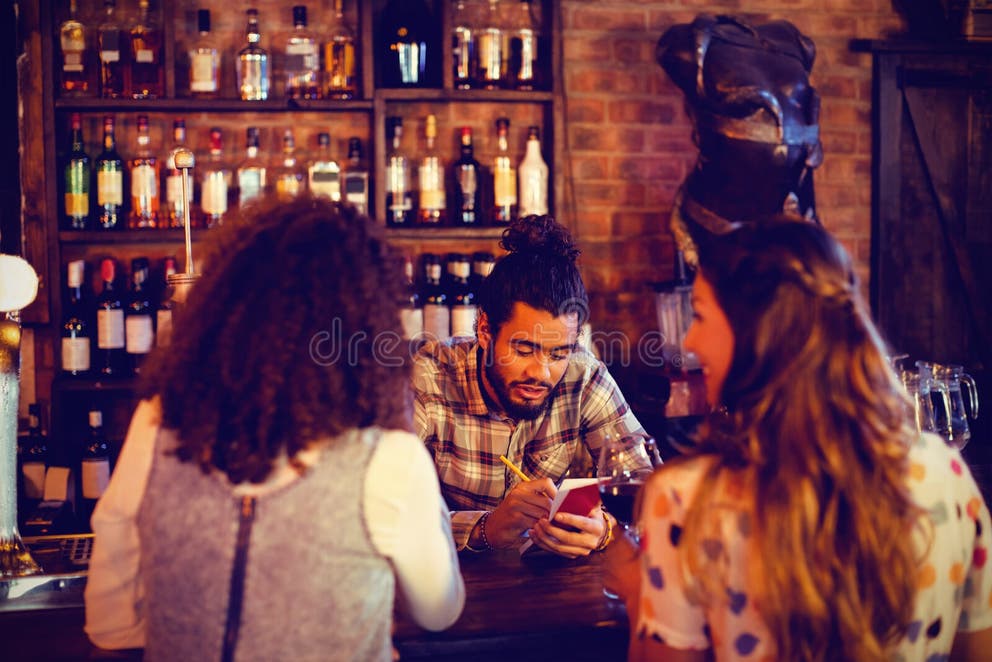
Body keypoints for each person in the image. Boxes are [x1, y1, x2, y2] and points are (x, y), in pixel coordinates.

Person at [84, 196, 465, 660]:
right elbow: (438, 611)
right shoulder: (388, 458)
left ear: (224, 308)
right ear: (365, 326)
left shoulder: (159, 418)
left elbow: (112, 622)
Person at [608, 219, 992, 660]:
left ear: (758, 332)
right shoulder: (946, 474)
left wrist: (638, 592)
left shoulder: (687, 499)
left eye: (699, 315)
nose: (690, 340)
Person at [413, 215, 651, 558]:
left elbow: (649, 491)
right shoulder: (431, 376)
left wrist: (605, 531)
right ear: (485, 330)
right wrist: (483, 529)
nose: (541, 373)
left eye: (558, 353)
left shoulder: (583, 375)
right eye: (524, 350)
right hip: (451, 582)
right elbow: (382, 509)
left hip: (553, 583)